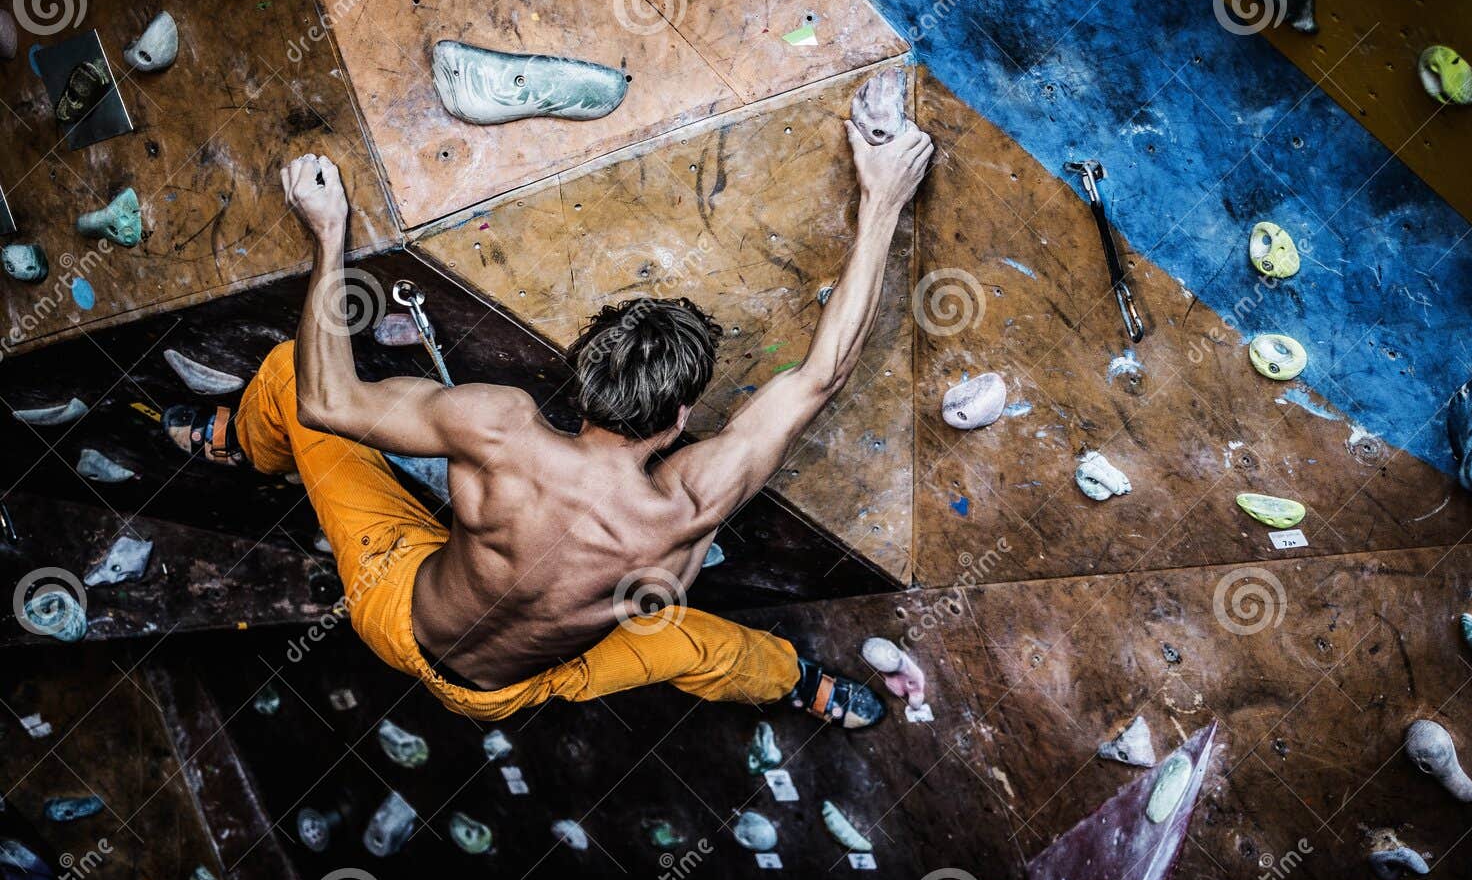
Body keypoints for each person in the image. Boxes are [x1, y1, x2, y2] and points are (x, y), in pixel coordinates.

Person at [164, 122, 933, 723]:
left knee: (282, 375)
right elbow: (821, 374)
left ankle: (244, 444)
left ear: (584, 379)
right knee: (701, 644)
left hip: (401, 615)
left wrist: (329, 234)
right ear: (681, 416)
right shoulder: (693, 502)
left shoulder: (499, 430)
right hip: (540, 678)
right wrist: (884, 200)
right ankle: (806, 687)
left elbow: (327, 400)